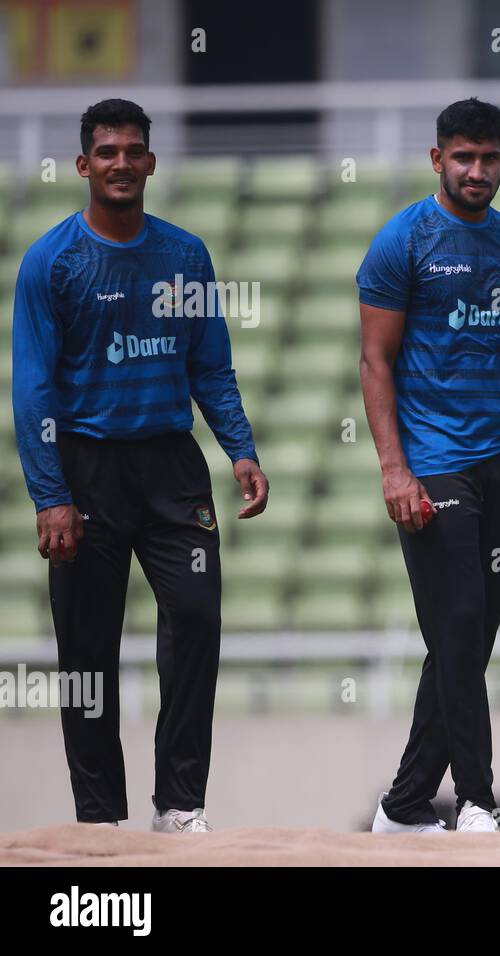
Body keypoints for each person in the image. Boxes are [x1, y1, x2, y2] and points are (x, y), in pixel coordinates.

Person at [11, 98, 269, 832]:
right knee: (87, 656)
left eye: (134, 151)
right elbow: (33, 391)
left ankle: (180, 805)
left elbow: (210, 367)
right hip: (86, 472)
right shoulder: (52, 263)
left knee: (196, 618)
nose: (122, 163)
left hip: (171, 470)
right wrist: (50, 495)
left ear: (151, 163)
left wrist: (240, 448)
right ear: (83, 165)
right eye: (108, 151)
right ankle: (99, 819)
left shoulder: (184, 256)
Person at [358, 98, 500, 834]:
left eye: (491, 158)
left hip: (497, 464)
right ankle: (476, 801)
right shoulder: (403, 242)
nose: (477, 171)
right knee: (460, 625)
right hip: (431, 465)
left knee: (463, 641)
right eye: (464, 158)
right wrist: (395, 469)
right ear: (437, 159)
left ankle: (404, 804)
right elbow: (374, 362)